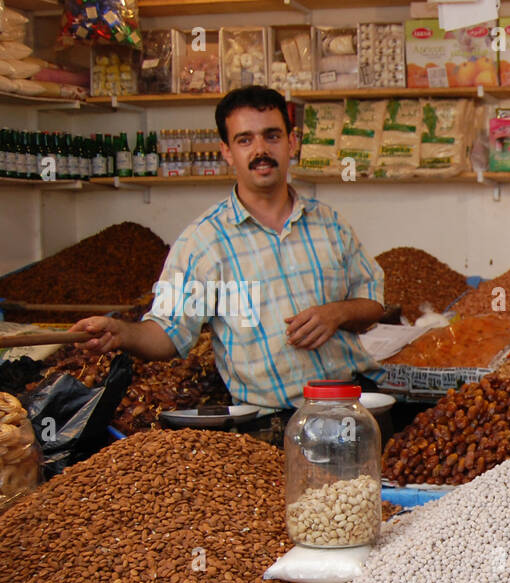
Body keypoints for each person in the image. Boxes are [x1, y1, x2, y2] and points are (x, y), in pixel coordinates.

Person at [71, 85, 384, 411]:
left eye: (272, 136)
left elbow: (373, 302)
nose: (260, 149)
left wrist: (338, 313)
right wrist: (122, 333)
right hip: (273, 420)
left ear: (292, 142)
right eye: (245, 140)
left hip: (353, 405)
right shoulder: (203, 241)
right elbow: (168, 332)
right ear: (226, 151)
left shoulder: (330, 224)